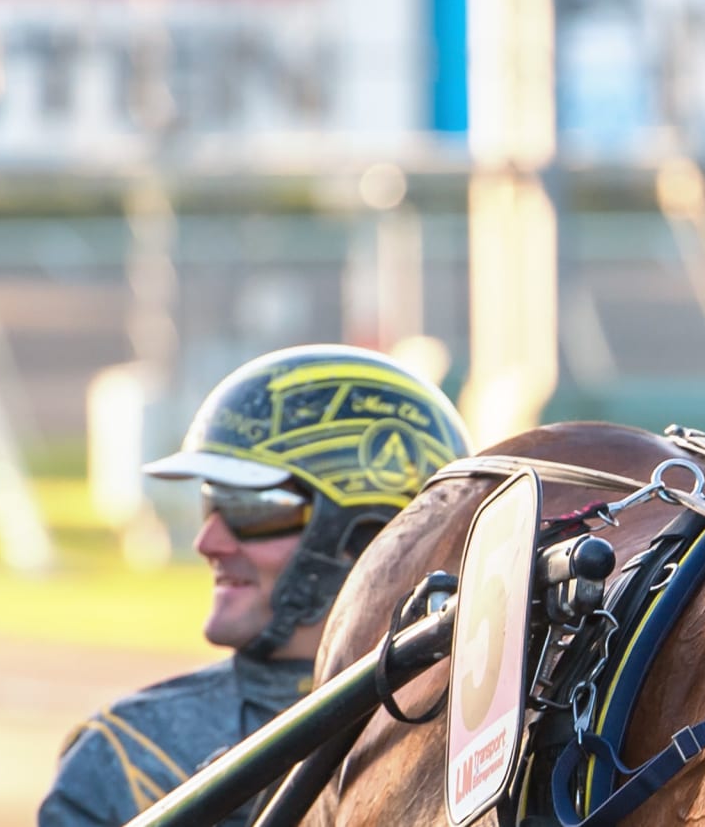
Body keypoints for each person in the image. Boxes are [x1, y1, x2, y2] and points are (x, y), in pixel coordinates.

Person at [39, 345, 470, 826]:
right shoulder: (127, 758)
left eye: (251, 508)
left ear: (371, 537)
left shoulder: (491, 734)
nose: (209, 542)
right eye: (210, 502)